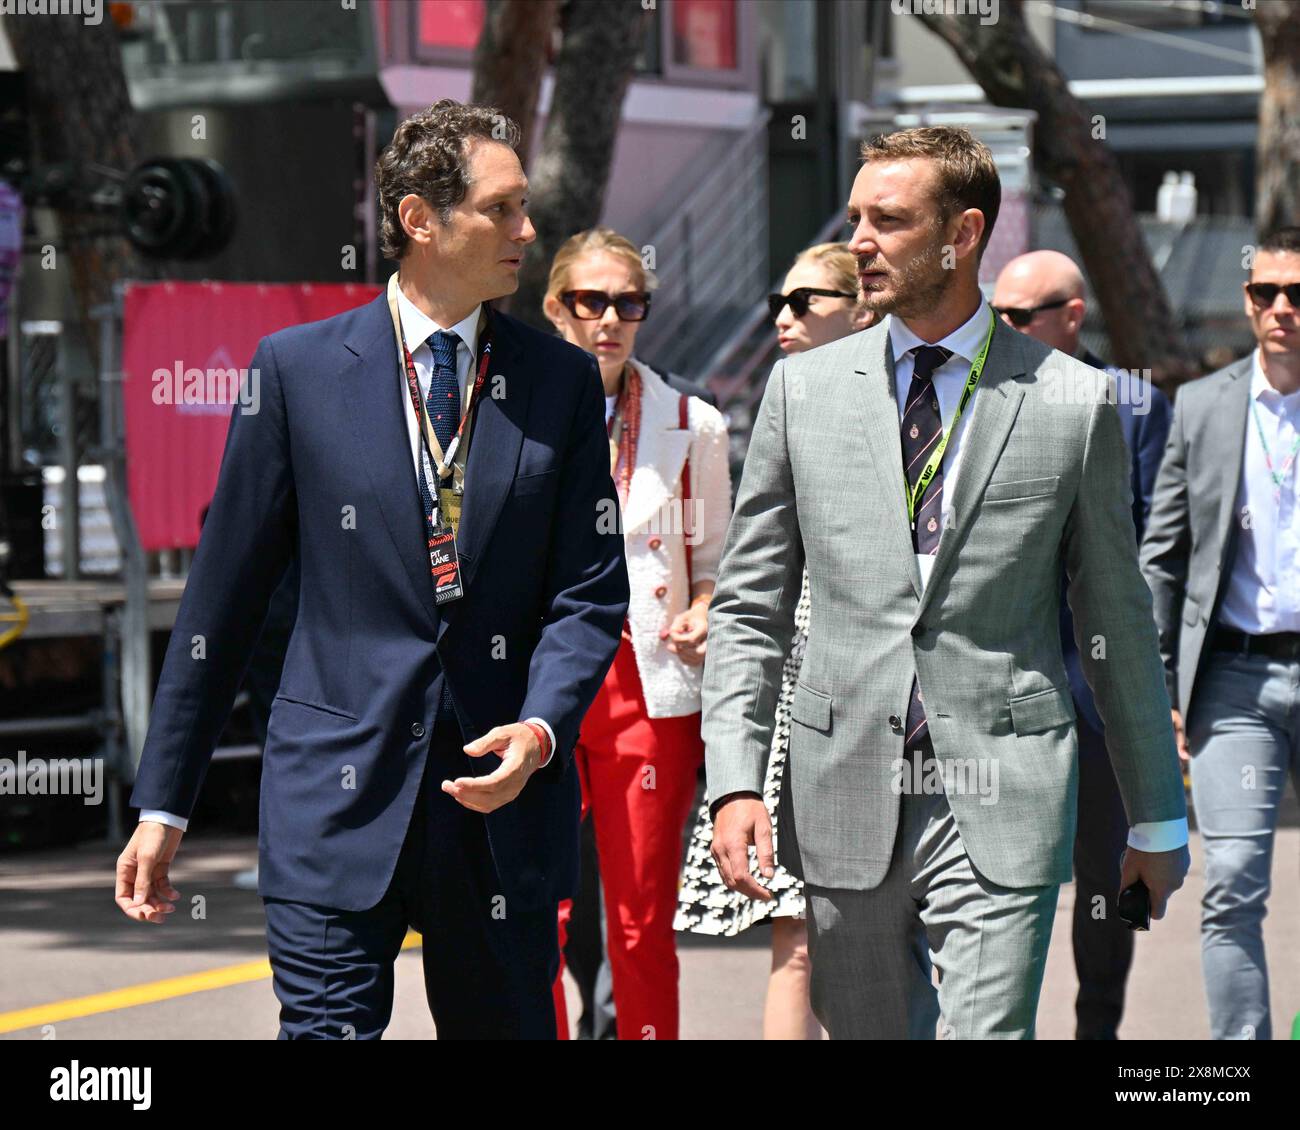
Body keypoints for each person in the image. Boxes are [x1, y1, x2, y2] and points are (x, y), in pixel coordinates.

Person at [113, 100, 629, 1040]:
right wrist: (164, 801)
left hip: (499, 813)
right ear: (420, 221)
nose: (528, 230)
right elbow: (219, 603)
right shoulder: (297, 371)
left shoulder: (556, 381)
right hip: (331, 803)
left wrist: (544, 728)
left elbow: (589, 592)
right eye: (503, 209)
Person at [701, 125, 1190, 1040]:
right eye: (855, 218)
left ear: (963, 235)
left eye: (889, 220)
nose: (860, 242)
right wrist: (732, 782)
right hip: (844, 780)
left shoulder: (1072, 402)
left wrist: (1157, 817)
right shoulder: (800, 393)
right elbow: (750, 608)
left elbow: (1116, 621)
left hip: (1005, 786)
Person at [675, 242, 870, 1040]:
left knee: (896, 937)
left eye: (805, 302)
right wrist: (712, 607)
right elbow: (755, 568)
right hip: (803, 695)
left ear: (865, 310)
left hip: (899, 702)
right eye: (777, 304)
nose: (783, 320)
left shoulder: (917, 406)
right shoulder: (786, 406)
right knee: (797, 934)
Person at [543, 227, 731, 1041]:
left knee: (641, 923)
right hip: (539, 684)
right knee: (532, 920)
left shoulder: (694, 423)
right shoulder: (507, 408)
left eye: (629, 303)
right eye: (590, 301)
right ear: (556, 308)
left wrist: (708, 607)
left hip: (649, 686)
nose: (609, 319)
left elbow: (719, 561)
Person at [992, 249, 1172, 1039]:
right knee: (997, 874)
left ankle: (1099, 1029)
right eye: (993, 315)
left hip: (1094, 682)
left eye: (1018, 317)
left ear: (1073, 315)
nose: (1001, 329)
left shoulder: (1135, 407)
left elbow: (1151, 556)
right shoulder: (979, 394)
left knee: (1105, 876)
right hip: (998, 675)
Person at [1141, 225, 1300, 1041]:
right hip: (1234, 681)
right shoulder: (1201, 407)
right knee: (1233, 880)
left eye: (1297, 294)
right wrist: (1160, 688)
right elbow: (1161, 558)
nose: (1281, 309)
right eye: (1264, 293)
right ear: (1245, 302)